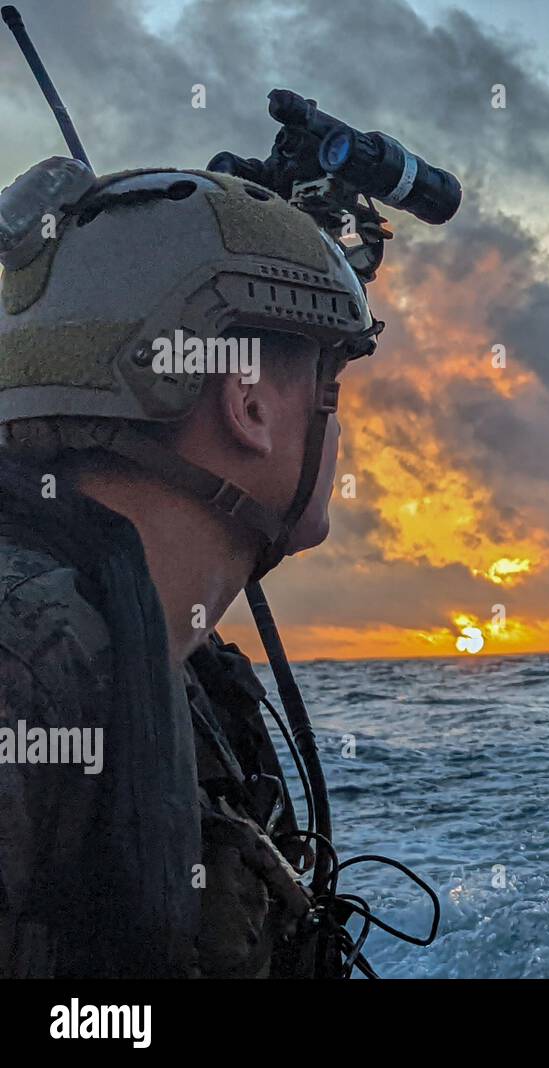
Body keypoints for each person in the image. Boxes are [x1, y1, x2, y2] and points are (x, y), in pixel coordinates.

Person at [0, 159, 379, 977]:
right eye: (331, 389)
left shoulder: (172, 667)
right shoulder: (23, 668)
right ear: (247, 405)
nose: (343, 435)